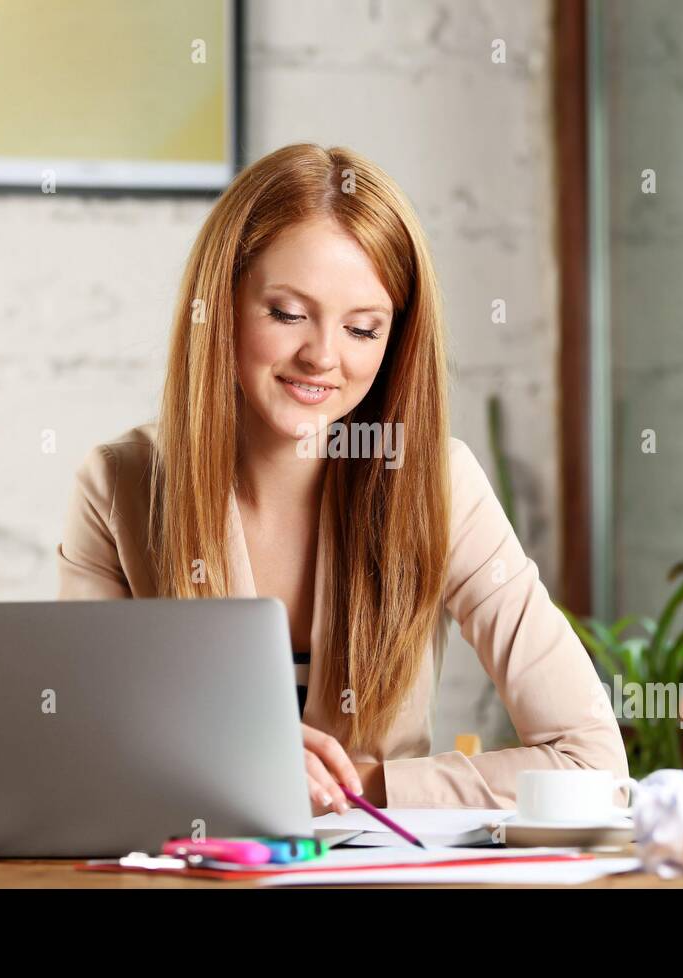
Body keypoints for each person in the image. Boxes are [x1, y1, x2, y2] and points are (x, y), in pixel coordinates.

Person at [57, 143, 627, 816]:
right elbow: (78, 752)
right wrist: (232, 764)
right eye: (288, 313)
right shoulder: (121, 483)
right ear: (222, 305)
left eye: (363, 328)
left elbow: (593, 763)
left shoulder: (440, 485)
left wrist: (365, 788)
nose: (322, 356)